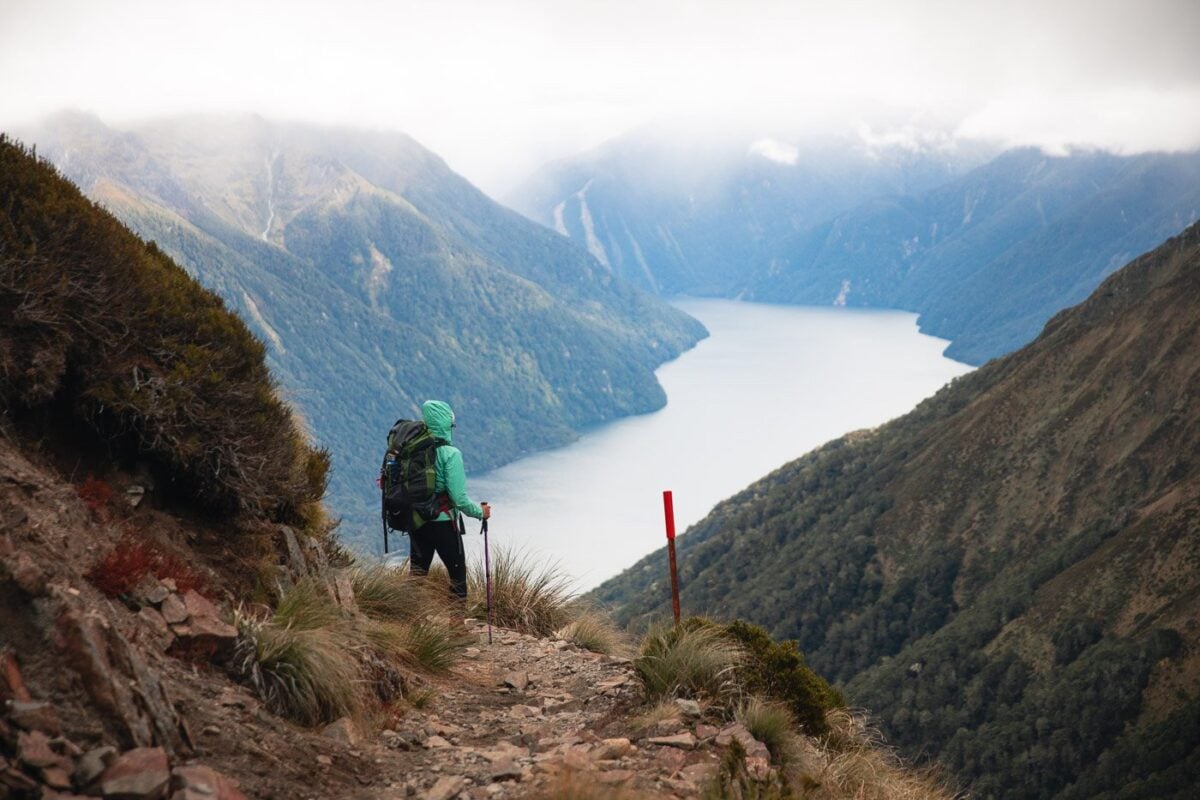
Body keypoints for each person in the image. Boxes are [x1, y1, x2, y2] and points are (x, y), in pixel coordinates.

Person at [409, 399, 490, 622]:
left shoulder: (413, 450)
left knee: (417, 574)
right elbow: (459, 498)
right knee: (457, 574)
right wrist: (480, 512)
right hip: (444, 523)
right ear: (446, 425)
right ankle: (456, 627)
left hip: (417, 521)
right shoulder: (450, 454)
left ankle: (408, 620)